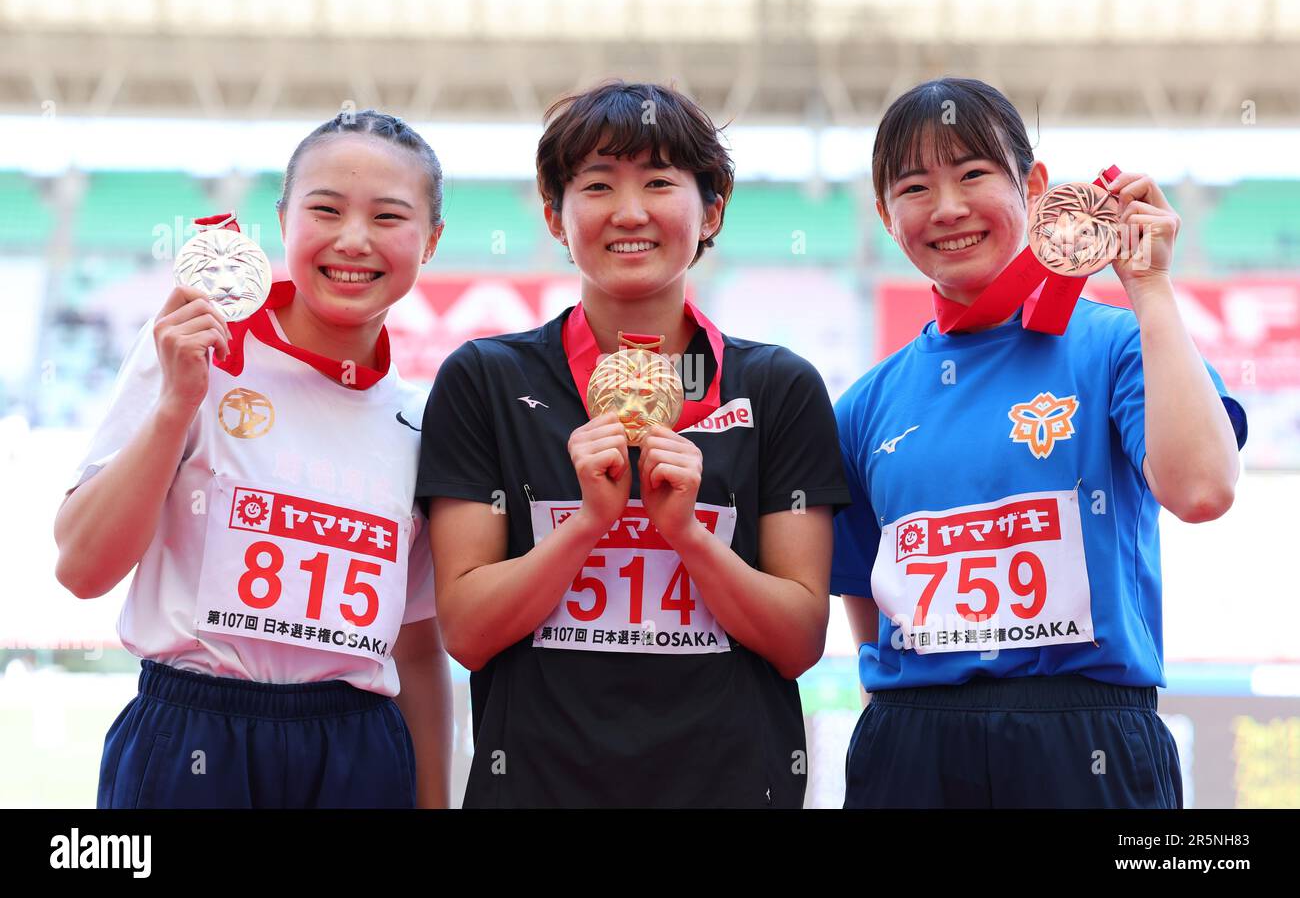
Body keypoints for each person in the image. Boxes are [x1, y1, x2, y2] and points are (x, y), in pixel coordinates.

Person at [417, 81, 851, 807]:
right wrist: (587, 525)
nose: (629, 211)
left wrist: (686, 534)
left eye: (659, 182)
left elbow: (800, 638)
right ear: (555, 216)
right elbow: (466, 630)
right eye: (596, 185)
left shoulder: (777, 388)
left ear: (711, 209)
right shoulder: (485, 380)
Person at [832, 77, 1248, 808]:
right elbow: (865, 585)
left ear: (1035, 187)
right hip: (912, 747)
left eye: (972, 174)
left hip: (1089, 743)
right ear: (885, 216)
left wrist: (1149, 288)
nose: (949, 207)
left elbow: (1204, 489)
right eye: (915, 187)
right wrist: (896, 716)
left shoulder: (1121, 345)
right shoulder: (866, 405)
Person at [54, 110, 453, 808]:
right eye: (325, 209)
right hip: (190, 739)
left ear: (432, 241)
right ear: (284, 220)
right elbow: (82, 569)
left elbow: (419, 652)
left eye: (389, 216)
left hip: (358, 751)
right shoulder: (190, 349)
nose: (353, 239)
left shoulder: (422, 423)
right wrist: (178, 405)